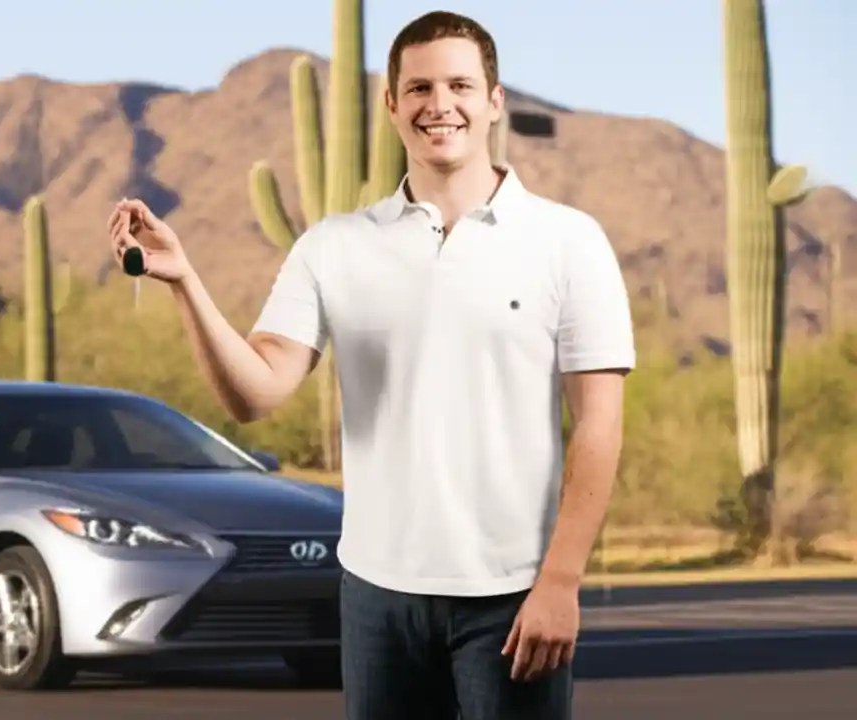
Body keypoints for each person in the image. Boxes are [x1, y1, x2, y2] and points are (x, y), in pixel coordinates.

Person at [106, 9, 634, 719]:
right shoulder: (334, 246)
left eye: (459, 85)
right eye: (418, 88)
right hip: (377, 596)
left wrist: (561, 581)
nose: (438, 105)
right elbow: (255, 392)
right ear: (390, 105)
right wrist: (185, 283)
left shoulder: (568, 242)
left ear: (494, 100)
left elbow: (598, 426)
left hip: (512, 596)